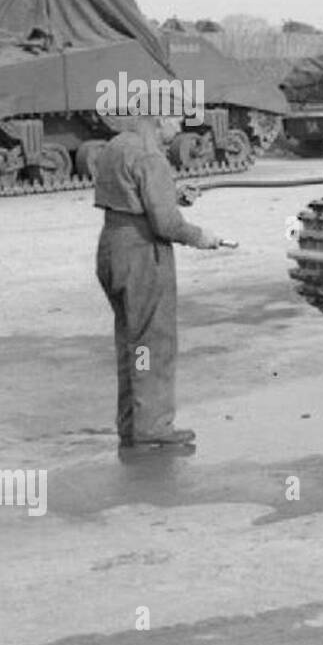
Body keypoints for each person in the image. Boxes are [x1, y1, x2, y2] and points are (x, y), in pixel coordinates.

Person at [94, 114, 226, 450]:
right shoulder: (152, 157)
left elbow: (133, 195)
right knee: (153, 342)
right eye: (176, 121)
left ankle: (132, 424)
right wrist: (201, 237)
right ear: (159, 118)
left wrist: (174, 194)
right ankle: (153, 427)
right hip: (142, 254)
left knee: (133, 340)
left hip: (113, 245)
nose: (179, 130)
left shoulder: (118, 144)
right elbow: (165, 223)